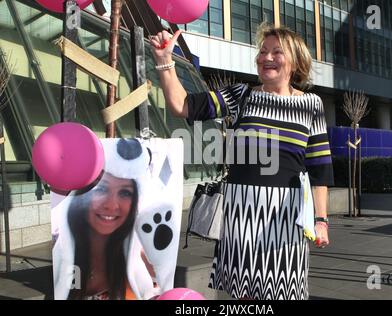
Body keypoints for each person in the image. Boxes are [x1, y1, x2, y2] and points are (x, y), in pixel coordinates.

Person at [150, 23, 333, 300]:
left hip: (287, 218)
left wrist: (321, 220)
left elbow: (319, 169)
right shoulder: (240, 96)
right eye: (262, 51)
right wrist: (165, 62)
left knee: (284, 291)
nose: (266, 57)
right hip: (241, 214)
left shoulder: (312, 105)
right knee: (245, 295)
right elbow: (183, 105)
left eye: (276, 51)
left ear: (295, 61)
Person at [52, 138, 158, 300]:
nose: (111, 205)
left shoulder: (135, 260)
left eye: (124, 193)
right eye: (101, 189)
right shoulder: (63, 252)